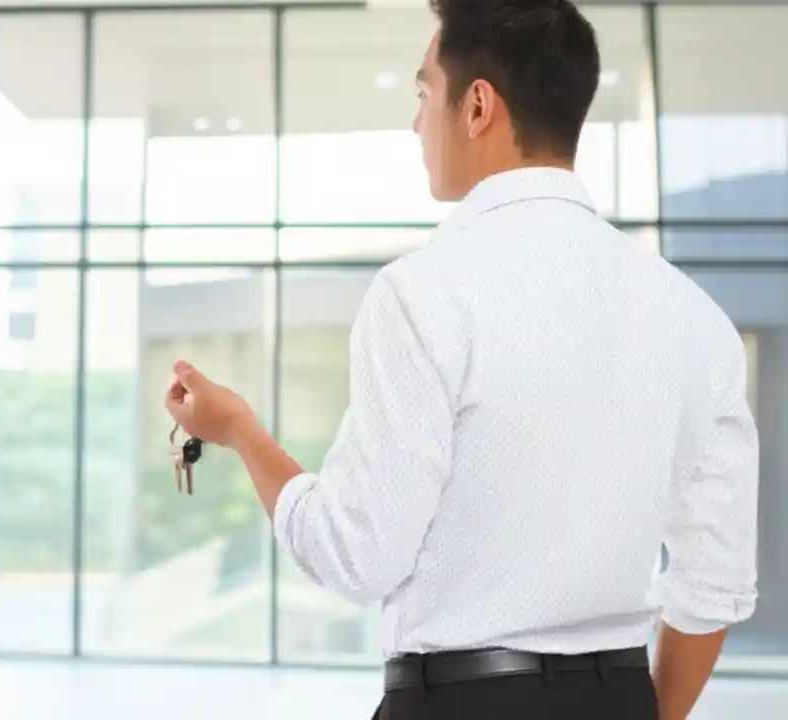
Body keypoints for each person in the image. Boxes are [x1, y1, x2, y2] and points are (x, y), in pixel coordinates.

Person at [163, 1, 759, 718]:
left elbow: (357, 555)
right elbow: (714, 582)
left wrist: (242, 433)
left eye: (423, 94)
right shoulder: (693, 317)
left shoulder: (422, 293)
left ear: (477, 105)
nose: (417, 124)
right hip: (620, 698)